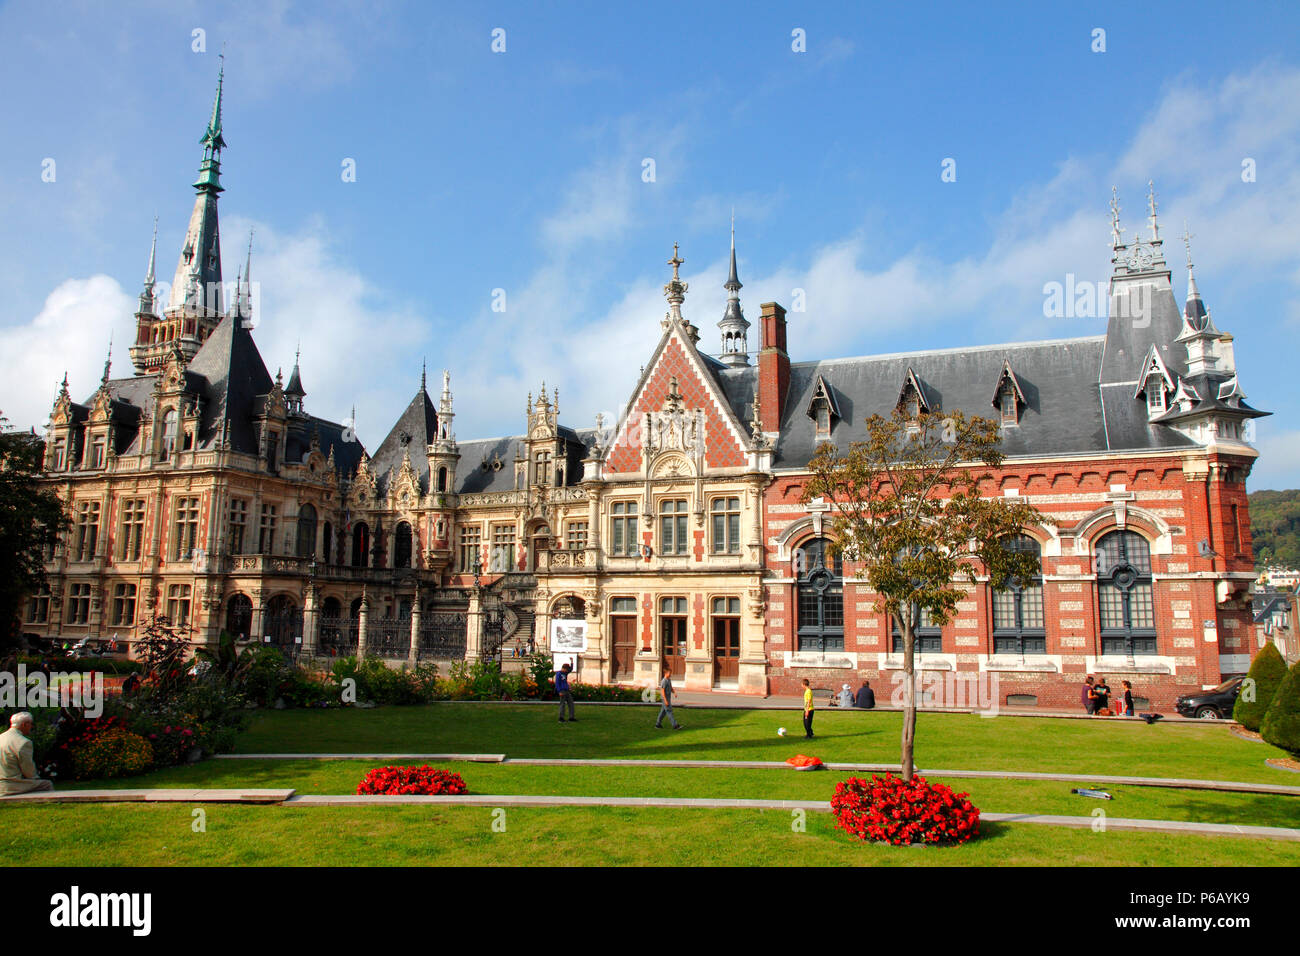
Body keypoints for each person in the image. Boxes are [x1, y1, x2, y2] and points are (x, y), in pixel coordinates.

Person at [1, 712, 54, 795]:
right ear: (24, 724)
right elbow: (29, 771)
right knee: (46, 784)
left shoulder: (1, 737)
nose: (31, 727)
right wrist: (35, 777)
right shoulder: (23, 742)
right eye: (31, 724)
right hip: (10, 786)